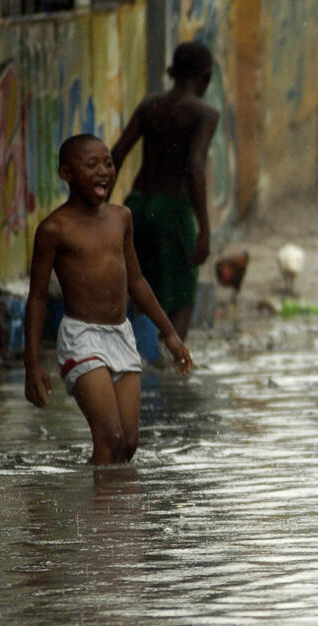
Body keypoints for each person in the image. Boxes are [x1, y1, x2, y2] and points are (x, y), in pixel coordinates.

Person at [23, 135, 193, 466]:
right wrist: (32, 362)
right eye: (92, 165)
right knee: (110, 438)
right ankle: (103, 500)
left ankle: (112, 499)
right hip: (82, 338)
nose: (104, 171)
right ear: (66, 174)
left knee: (128, 444)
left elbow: (137, 281)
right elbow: (39, 296)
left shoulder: (121, 218)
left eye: (108, 163)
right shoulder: (54, 228)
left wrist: (170, 335)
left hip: (121, 335)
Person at [111, 40, 220, 341]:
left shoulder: (150, 105)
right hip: (171, 211)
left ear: (173, 72)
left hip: (135, 206)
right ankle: (174, 365)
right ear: (206, 77)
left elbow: (117, 153)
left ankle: (133, 359)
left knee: (139, 287)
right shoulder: (205, 113)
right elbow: (195, 167)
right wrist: (205, 229)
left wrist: (95, 211)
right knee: (182, 298)